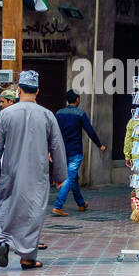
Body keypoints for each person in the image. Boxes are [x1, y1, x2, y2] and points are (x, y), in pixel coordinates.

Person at [0, 69, 67, 271]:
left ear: (19, 90)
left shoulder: (5, 115)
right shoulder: (48, 116)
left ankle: (3, 240)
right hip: (37, 174)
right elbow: (57, 147)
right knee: (33, 212)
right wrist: (59, 175)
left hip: (11, 171)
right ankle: (27, 258)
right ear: (38, 91)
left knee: (6, 205)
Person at [52, 88, 106, 216]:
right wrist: (100, 145)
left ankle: (81, 203)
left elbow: (53, 133)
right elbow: (90, 131)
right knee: (69, 178)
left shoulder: (59, 113)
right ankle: (58, 205)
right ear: (77, 100)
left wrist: (51, 150)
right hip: (75, 151)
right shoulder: (80, 113)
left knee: (73, 178)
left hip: (62, 151)